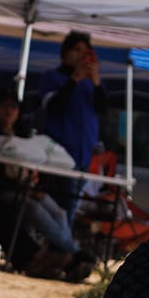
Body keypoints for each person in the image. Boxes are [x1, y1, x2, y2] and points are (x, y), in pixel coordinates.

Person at [0, 89, 82, 278]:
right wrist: (24, 189)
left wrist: (33, 187)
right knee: (33, 208)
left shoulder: (25, 136)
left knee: (59, 212)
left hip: (27, 188)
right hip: (3, 190)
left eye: (13, 107)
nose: (9, 111)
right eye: (4, 106)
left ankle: (69, 253)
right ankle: (74, 255)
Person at [38, 31, 104, 223]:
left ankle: (60, 247)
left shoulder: (90, 84)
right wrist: (73, 79)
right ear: (65, 53)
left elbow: (102, 108)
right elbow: (54, 106)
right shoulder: (53, 77)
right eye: (77, 50)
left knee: (71, 207)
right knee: (60, 207)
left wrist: (96, 80)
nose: (81, 55)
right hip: (60, 153)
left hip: (83, 154)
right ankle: (60, 247)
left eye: (86, 51)